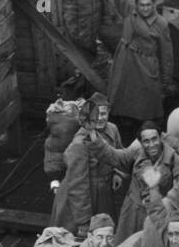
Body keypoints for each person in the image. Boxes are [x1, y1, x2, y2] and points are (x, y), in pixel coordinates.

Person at [100, 0, 174, 128]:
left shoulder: (161, 24)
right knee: (122, 94)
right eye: (142, 5)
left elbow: (166, 54)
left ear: (154, 3)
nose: (145, 8)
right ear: (136, 4)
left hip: (147, 64)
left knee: (147, 99)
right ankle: (123, 120)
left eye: (148, 5)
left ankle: (146, 125)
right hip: (126, 60)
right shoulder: (129, 10)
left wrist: (166, 80)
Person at [109, 123, 179, 242]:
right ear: (141, 143)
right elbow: (114, 156)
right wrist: (94, 138)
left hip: (158, 213)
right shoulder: (136, 153)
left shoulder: (173, 158)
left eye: (154, 139)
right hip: (132, 212)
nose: (151, 145)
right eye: (146, 141)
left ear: (160, 138)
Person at [49, 93, 124, 235]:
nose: (100, 118)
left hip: (103, 193)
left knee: (104, 234)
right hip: (82, 198)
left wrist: (117, 173)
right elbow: (77, 185)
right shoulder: (80, 143)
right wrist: (83, 221)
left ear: (109, 112)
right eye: (95, 115)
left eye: (103, 113)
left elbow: (118, 152)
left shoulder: (112, 129)